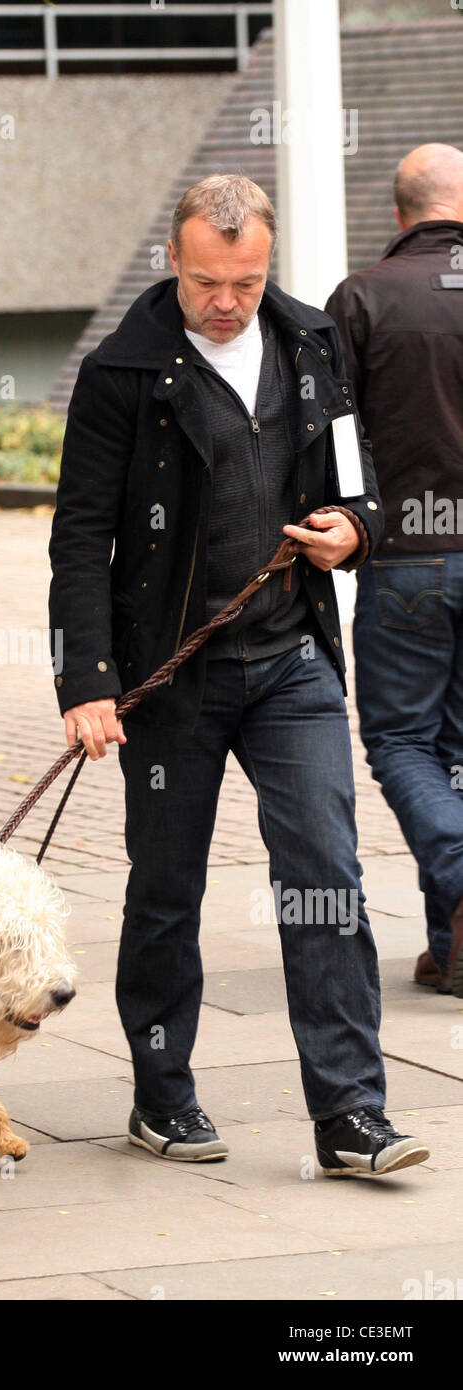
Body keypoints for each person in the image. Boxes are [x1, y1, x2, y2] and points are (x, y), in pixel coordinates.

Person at [49, 174, 428, 1177]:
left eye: (247, 280)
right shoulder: (121, 372)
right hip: (168, 678)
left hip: (290, 660)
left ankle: (351, 1113)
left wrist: (353, 530)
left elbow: (362, 488)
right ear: (171, 260)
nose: (227, 300)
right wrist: (85, 679)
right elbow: (80, 536)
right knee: (165, 889)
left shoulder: (310, 344)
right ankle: (161, 1096)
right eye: (210, 280)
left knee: (325, 879)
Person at [326, 143, 463, 999]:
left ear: (399, 213)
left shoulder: (363, 298)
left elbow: (336, 437)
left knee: (403, 741)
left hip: (407, 557)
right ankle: (451, 951)